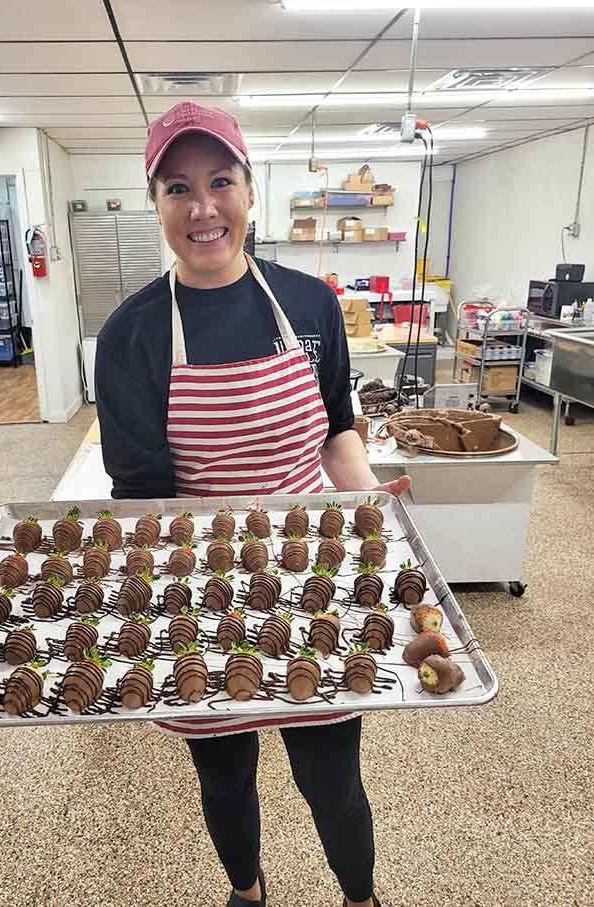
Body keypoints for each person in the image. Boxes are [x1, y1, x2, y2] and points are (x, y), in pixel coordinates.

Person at [96, 101, 411, 907]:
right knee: (226, 778)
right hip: (202, 593)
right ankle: (247, 887)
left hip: (315, 583)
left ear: (249, 190)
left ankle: (360, 895)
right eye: (178, 187)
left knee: (332, 779)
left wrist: (373, 505)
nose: (203, 208)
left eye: (221, 181)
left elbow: (338, 436)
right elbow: (143, 501)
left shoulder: (309, 305)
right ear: (157, 201)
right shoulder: (132, 336)